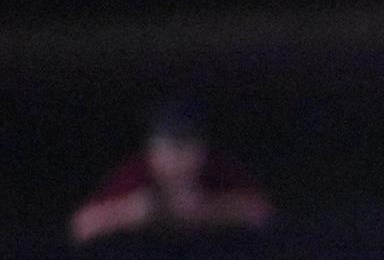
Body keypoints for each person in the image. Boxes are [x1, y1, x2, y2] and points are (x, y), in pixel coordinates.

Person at [69, 101, 273, 244]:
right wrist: (131, 212)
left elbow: (263, 214)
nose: (177, 161)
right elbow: (81, 226)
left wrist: (211, 209)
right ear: (152, 153)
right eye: (166, 149)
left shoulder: (217, 167)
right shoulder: (137, 172)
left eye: (186, 148)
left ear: (202, 150)